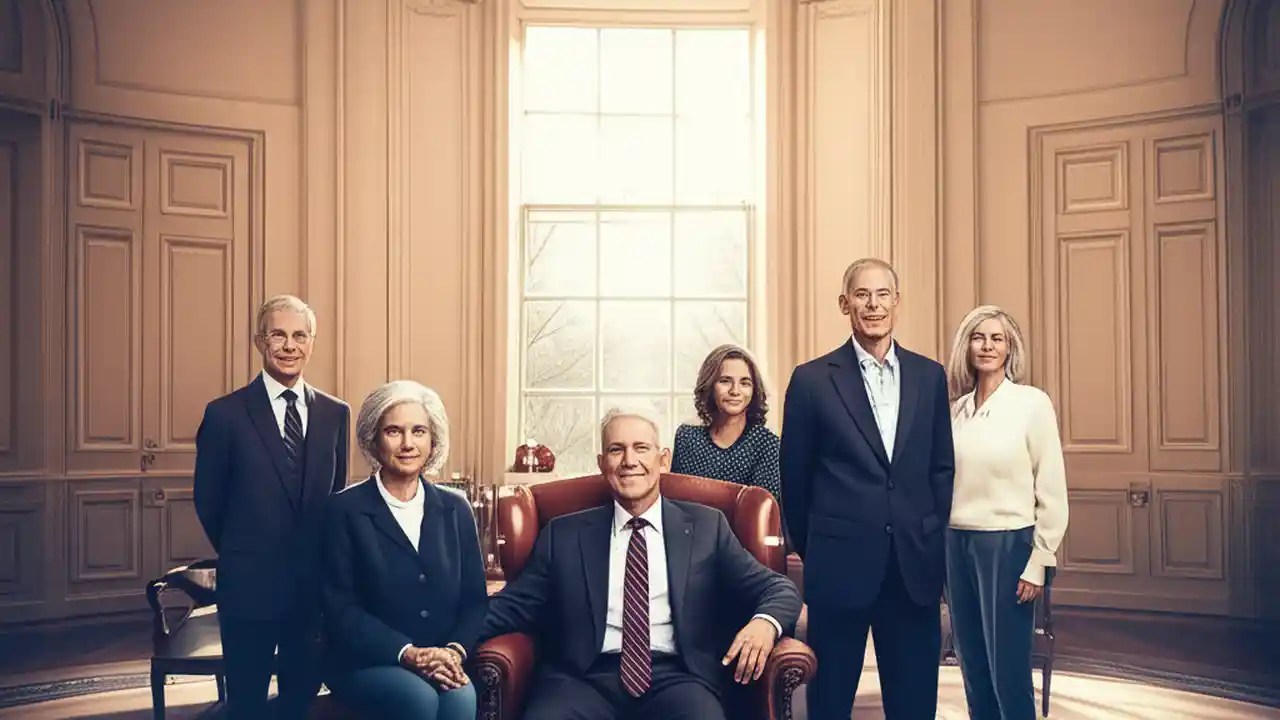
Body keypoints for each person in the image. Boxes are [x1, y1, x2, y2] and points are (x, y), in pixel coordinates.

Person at [481, 408, 803, 720]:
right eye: (616, 450)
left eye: (641, 448)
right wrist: (448, 638)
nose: (629, 461)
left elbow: (777, 588)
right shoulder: (563, 534)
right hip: (580, 680)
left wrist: (765, 623)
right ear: (602, 463)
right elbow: (512, 605)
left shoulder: (708, 527)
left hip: (679, 678)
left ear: (663, 460)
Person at [780, 257, 954, 719]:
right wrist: (816, 549)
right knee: (831, 702)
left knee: (915, 704)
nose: (873, 305)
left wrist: (930, 537)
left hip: (913, 567)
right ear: (845, 304)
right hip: (839, 566)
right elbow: (793, 479)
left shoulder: (930, 376)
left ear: (897, 303)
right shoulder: (812, 380)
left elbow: (941, 469)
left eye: (882, 295)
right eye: (862, 295)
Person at [193, 294, 351, 719]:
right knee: (246, 704)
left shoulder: (336, 414)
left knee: (300, 702)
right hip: (249, 586)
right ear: (260, 340)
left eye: (299, 336)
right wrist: (246, 551)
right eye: (278, 334)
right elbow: (208, 501)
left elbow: (333, 499)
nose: (289, 345)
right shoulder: (224, 415)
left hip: (311, 589)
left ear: (312, 343)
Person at [322, 380, 486, 719]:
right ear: (374, 439)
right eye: (394, 431)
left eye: (419, 431)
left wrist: (453, 652)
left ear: (433, 439)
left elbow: (475, 602)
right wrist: (407, 653)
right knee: (418, 698)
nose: (408, 443)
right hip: (367, 660)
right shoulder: (343, 511)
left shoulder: (457, 509)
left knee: (461, 697)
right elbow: (341, 610)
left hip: (442, 658)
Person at [945, 306, 1068, 719]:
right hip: (956, 541)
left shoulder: (1031, 404)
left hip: (1009, 543)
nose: (987, 346)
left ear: (1009, 347)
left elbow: (1050, 484)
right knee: (972, 662)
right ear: (967, 346)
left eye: (997, 338)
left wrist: (1041, 559)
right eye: (979, 337)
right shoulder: (956, 411)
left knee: (1008, 669)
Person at [671, 344, 781, 502]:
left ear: (755, 390)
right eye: (725, 381)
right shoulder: (687, 438)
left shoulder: (768, 445)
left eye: (745, 383)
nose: (735, 391)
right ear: (709, 385)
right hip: (692, 526)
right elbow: (676, 502)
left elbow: (758, 512)